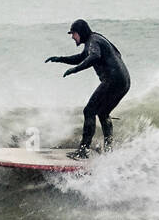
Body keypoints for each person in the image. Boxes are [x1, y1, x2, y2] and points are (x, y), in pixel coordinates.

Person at [44, 19, 130, 159]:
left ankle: (83, 150)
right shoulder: (94, 40)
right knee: (103, 113)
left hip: (113, 81)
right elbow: (81, 57)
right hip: (124, 82)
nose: (72, 37)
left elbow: (95, 56)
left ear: (81, 32)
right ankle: (109, 149)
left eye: (74, 34)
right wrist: (59, 59)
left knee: (89, 110)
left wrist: (75, 70)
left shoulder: (93, 41)